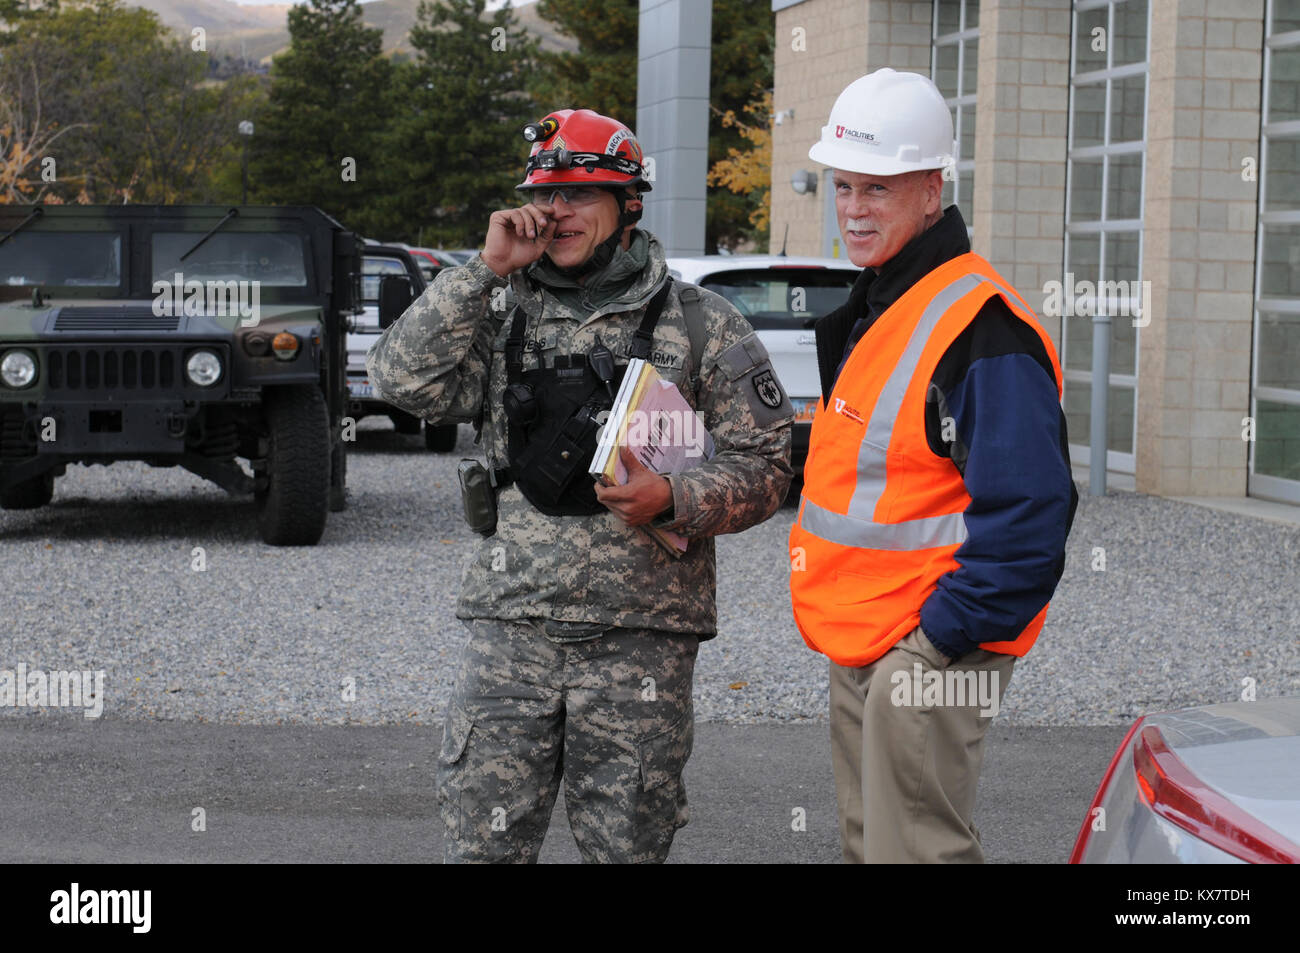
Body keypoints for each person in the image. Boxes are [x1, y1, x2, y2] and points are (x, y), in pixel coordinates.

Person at [367, 108, 793, 863]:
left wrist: (676, 498)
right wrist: (481, 270)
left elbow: (769, 463)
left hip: (640, 641)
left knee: (628, 847)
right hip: (512, 629)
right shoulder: (496, 311)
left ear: (629, 205)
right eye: (545, 194)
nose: (556, 212)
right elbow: (399, 380)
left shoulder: (700, 325)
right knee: (481, 847)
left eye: (581, 195)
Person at [788, 69, 1078, 863]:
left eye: (876, 189)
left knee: (916, 852)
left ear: (931, 189)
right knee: (872, 845)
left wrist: (940, 638)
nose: (851, 209)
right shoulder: (887, 302)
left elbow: (1031, 514)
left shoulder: (979, 323)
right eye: (843, 186)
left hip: (930, 643)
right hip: (870, 635)